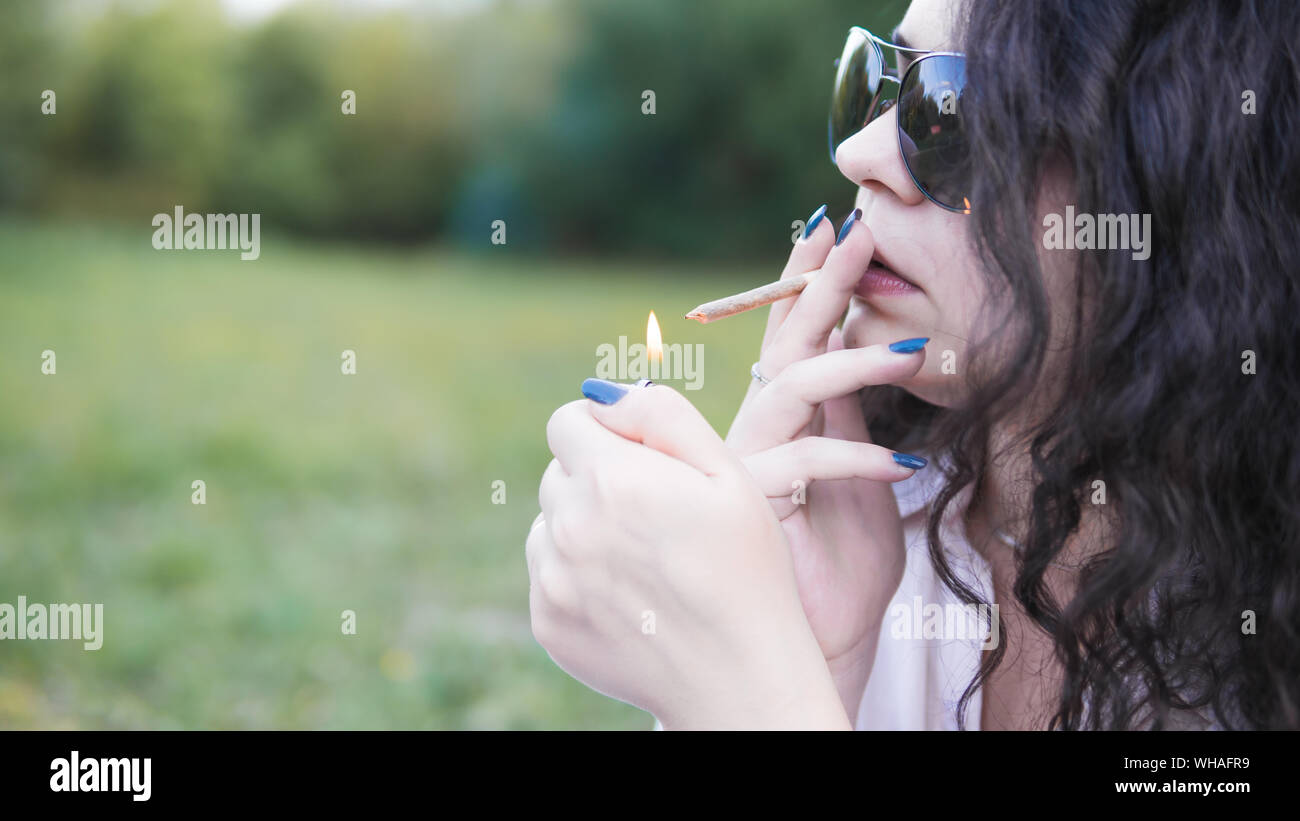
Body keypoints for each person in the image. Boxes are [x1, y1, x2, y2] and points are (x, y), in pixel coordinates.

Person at [527, 0, 1300, 729]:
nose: (864, 154)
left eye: (954, 111)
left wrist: (755, 695)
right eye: (876, 81)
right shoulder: (858, 527)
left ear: (1169, 178)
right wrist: (824, 662)